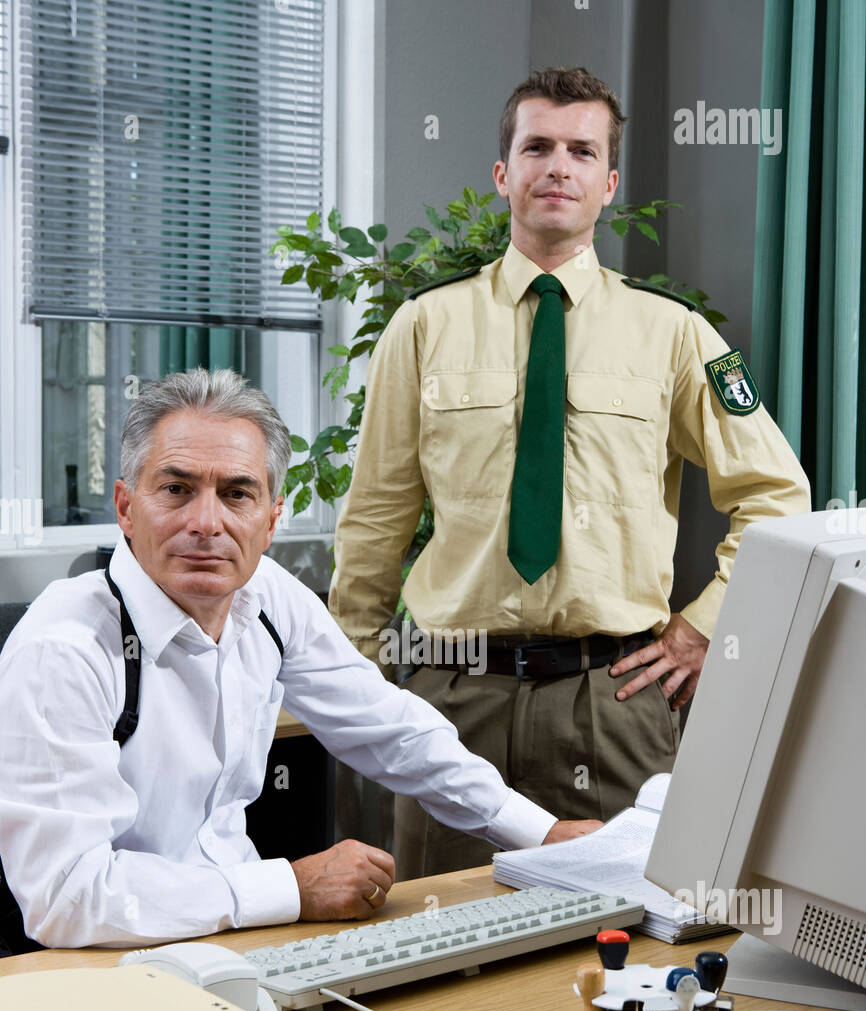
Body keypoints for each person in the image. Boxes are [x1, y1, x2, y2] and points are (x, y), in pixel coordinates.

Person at [328, 65, 811, 878]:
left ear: (609, 182)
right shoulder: (421, 328)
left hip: (613, 702)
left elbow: (777, 498)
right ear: (502, 173)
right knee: (440, 950)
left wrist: (702, 629)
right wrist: (360, 685)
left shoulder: (676, 335)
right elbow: (374, 519)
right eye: (538, 146)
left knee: (634, 941)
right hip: (455, 699)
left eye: (582, 151)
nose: (559, 166)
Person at [0, 369, 603, 953]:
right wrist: (290, 885)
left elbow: (388, 726)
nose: (206, 523)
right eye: (177, 489)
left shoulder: (268, 597)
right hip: (101, 961)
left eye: (237, 494)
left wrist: (541, 833)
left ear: (271, 520)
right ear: (127, 509)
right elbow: (66, 896)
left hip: (241, 940)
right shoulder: (64, 647)